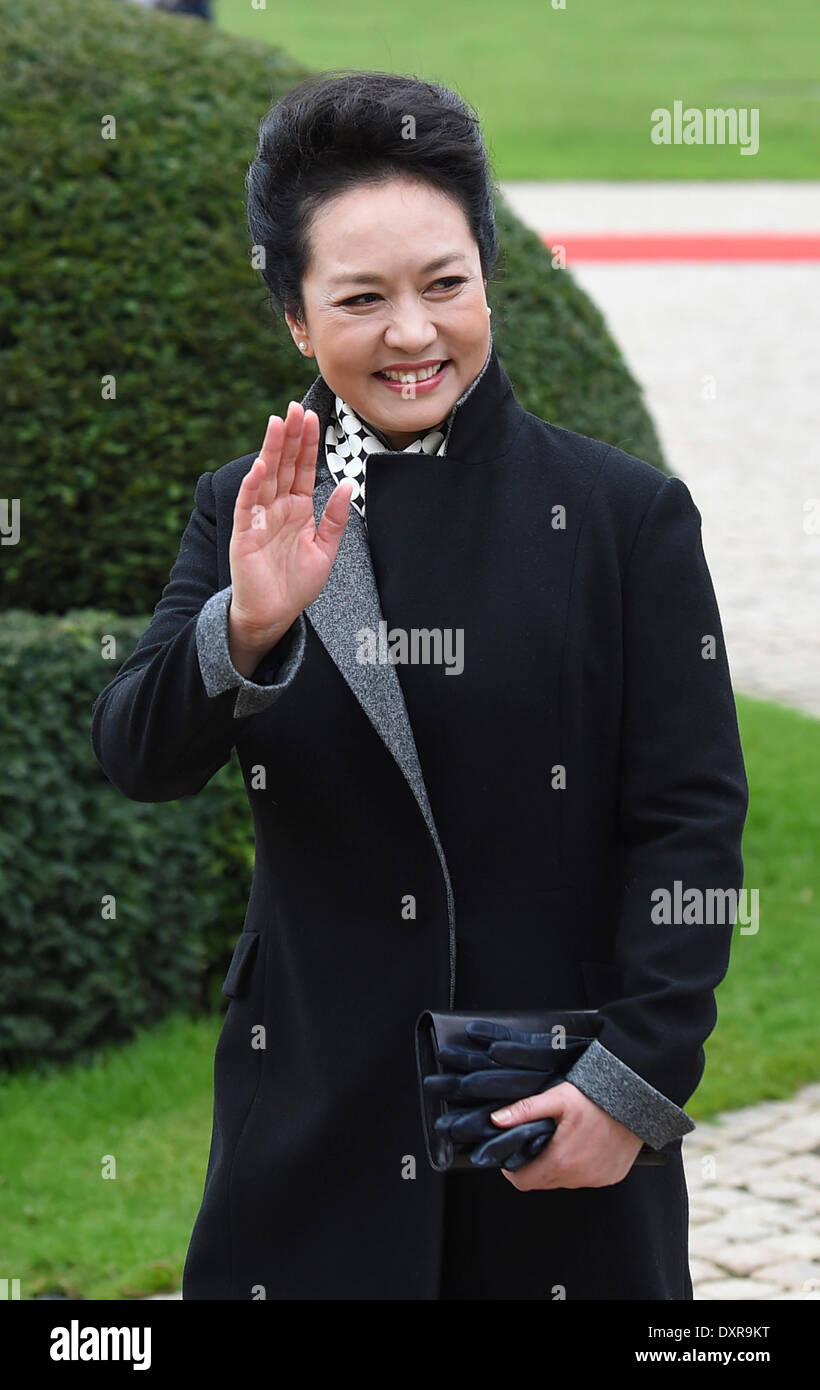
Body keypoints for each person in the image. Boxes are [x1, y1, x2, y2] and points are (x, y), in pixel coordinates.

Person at [90, 70, 749, 1300]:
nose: (412, 334)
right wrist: (246, 623)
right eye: (360, 298)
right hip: (314, 1108)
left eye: (445, 285)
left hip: (546, 1104)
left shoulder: (622, 515)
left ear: (489, 275)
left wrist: (633, 1082)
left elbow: (690, 831)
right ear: (295, 319)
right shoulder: (248, 506)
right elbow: (136, 755)